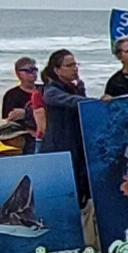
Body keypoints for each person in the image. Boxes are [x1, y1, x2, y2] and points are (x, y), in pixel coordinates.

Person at [37, 49, 91, 204]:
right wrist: (95, 102)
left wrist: (82, 89)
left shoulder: (74, 88)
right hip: (59, 149)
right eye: (69, 65)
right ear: (57, 70)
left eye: (75, 64)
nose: (75, 68)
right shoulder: (52, 90)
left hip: (77, 147)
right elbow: (71, 102)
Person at [1, 57, 42, 144]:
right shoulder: (12, 95)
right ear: (18, 73)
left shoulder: (45, 90)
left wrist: (26, 113)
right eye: (28, 70)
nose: (32, 73)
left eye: (35, 70)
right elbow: (10, 120)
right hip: (24, 136)